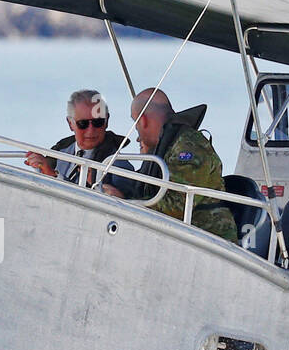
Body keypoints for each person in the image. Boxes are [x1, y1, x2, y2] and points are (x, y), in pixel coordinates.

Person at [102, 88, 238, 242]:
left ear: (143, 120)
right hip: (178, 239)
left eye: (136, 123)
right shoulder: (166, 148)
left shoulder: (188, 146)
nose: (137, 133)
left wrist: (125, 201)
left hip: (209, 241)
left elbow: (178, 205)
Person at [24, 89, 128, 187]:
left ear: (107, 121)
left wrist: (52, 175)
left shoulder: (118, 164)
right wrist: (40, 165)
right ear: (70, 124)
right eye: (83, 124)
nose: (91, 130)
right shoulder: (59, 152)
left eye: (98, 122)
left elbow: (123, 200)